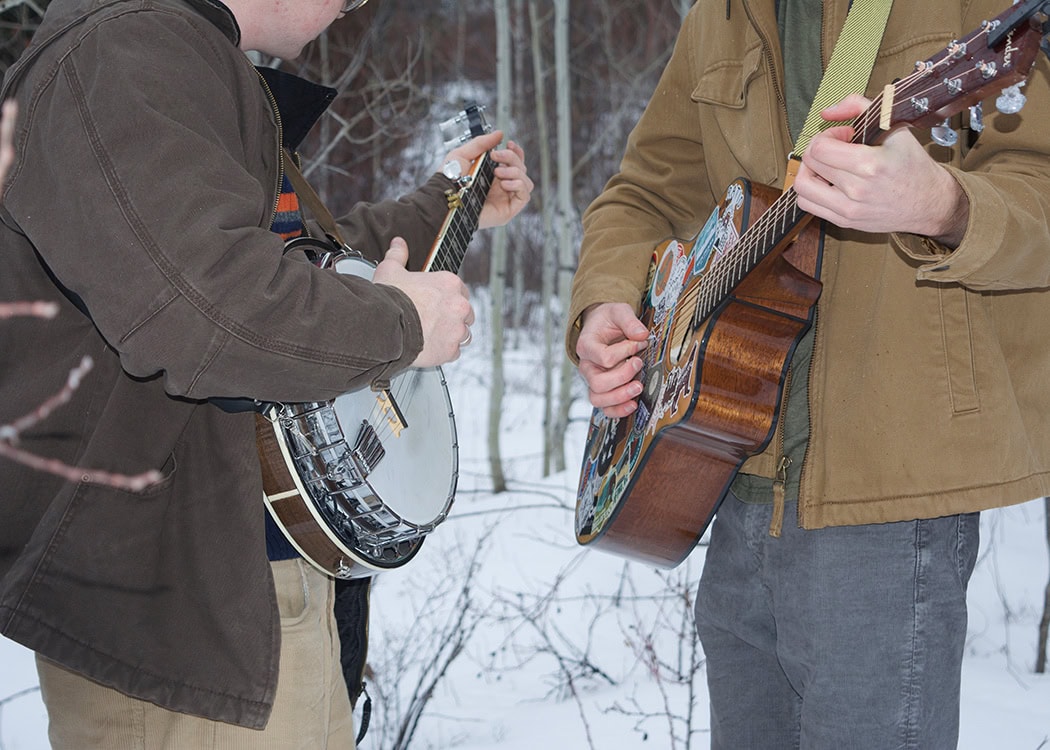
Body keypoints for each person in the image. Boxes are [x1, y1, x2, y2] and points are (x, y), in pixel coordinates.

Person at [0, 0, 531, 747]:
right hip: (187, 632)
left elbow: (297, 263)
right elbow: (206, 307)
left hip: (236, 600)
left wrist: (448, 201)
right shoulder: (122, 52)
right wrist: (403, 326)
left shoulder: (171, 53)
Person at [568, 0, 1050, 747]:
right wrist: (604, 300)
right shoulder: (720, 15)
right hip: (725, 464)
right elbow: (647, 192)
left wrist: (947, 205)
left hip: (889, 498)